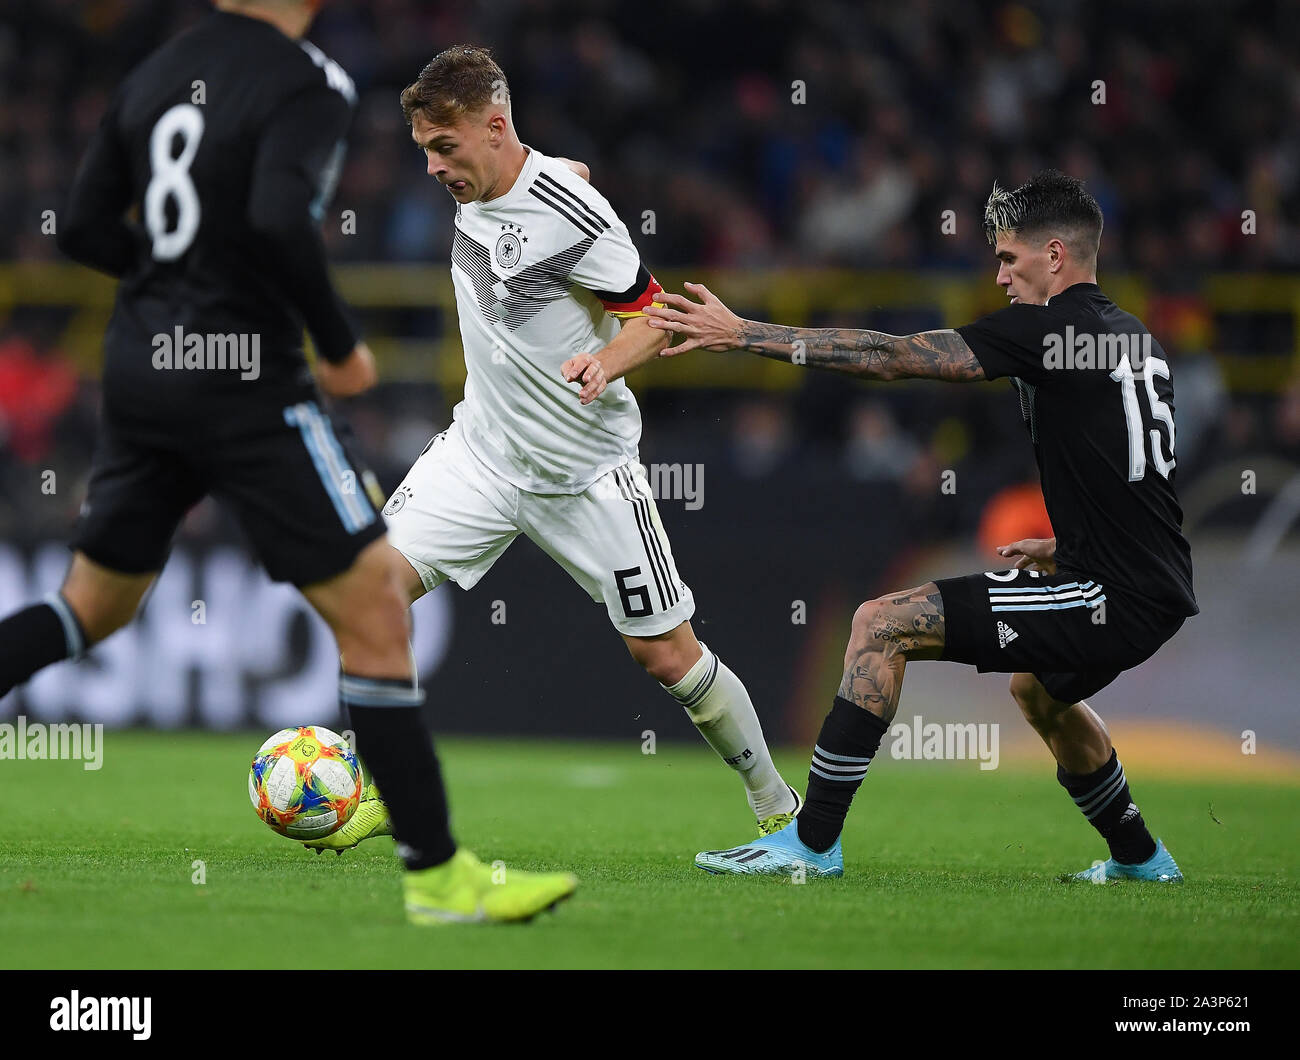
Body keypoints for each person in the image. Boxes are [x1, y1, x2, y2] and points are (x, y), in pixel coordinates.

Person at [0, 0, 575, 924]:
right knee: (377, 604)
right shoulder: (308, 81)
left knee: (89, 609)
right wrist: (340, 344)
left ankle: (434, 869)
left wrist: (169, 279)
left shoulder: (155, 71)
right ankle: (437, 876)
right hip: (245, 382)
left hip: (142, 367)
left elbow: (79, 228)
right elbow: (276, 213)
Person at [645, 170, 1198, 883]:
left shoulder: (1048, 328)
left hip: (1112, 594)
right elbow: (1140, 472)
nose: (999, 277)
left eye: (1009, 259)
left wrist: (745, 332)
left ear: (1055, 256)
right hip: (1144, 582)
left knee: (882, 622)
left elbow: (893, 356)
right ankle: (1141, 859)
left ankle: (811, 841)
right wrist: (1073, 543)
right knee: (1039, 691)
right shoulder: (1133, 340)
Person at [348, 45, 801, 842]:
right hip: (481, 455)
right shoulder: (498, 175)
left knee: (668, 659)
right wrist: (563, 172)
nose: (431, 167)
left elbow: (652, 317)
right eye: (423, 149)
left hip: (588, 472)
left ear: (493, 128)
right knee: (366, 593)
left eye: (443, 147)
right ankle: (390, 789)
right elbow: (546, 177)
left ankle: (779, 810)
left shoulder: (572, 213)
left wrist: (606, 360)